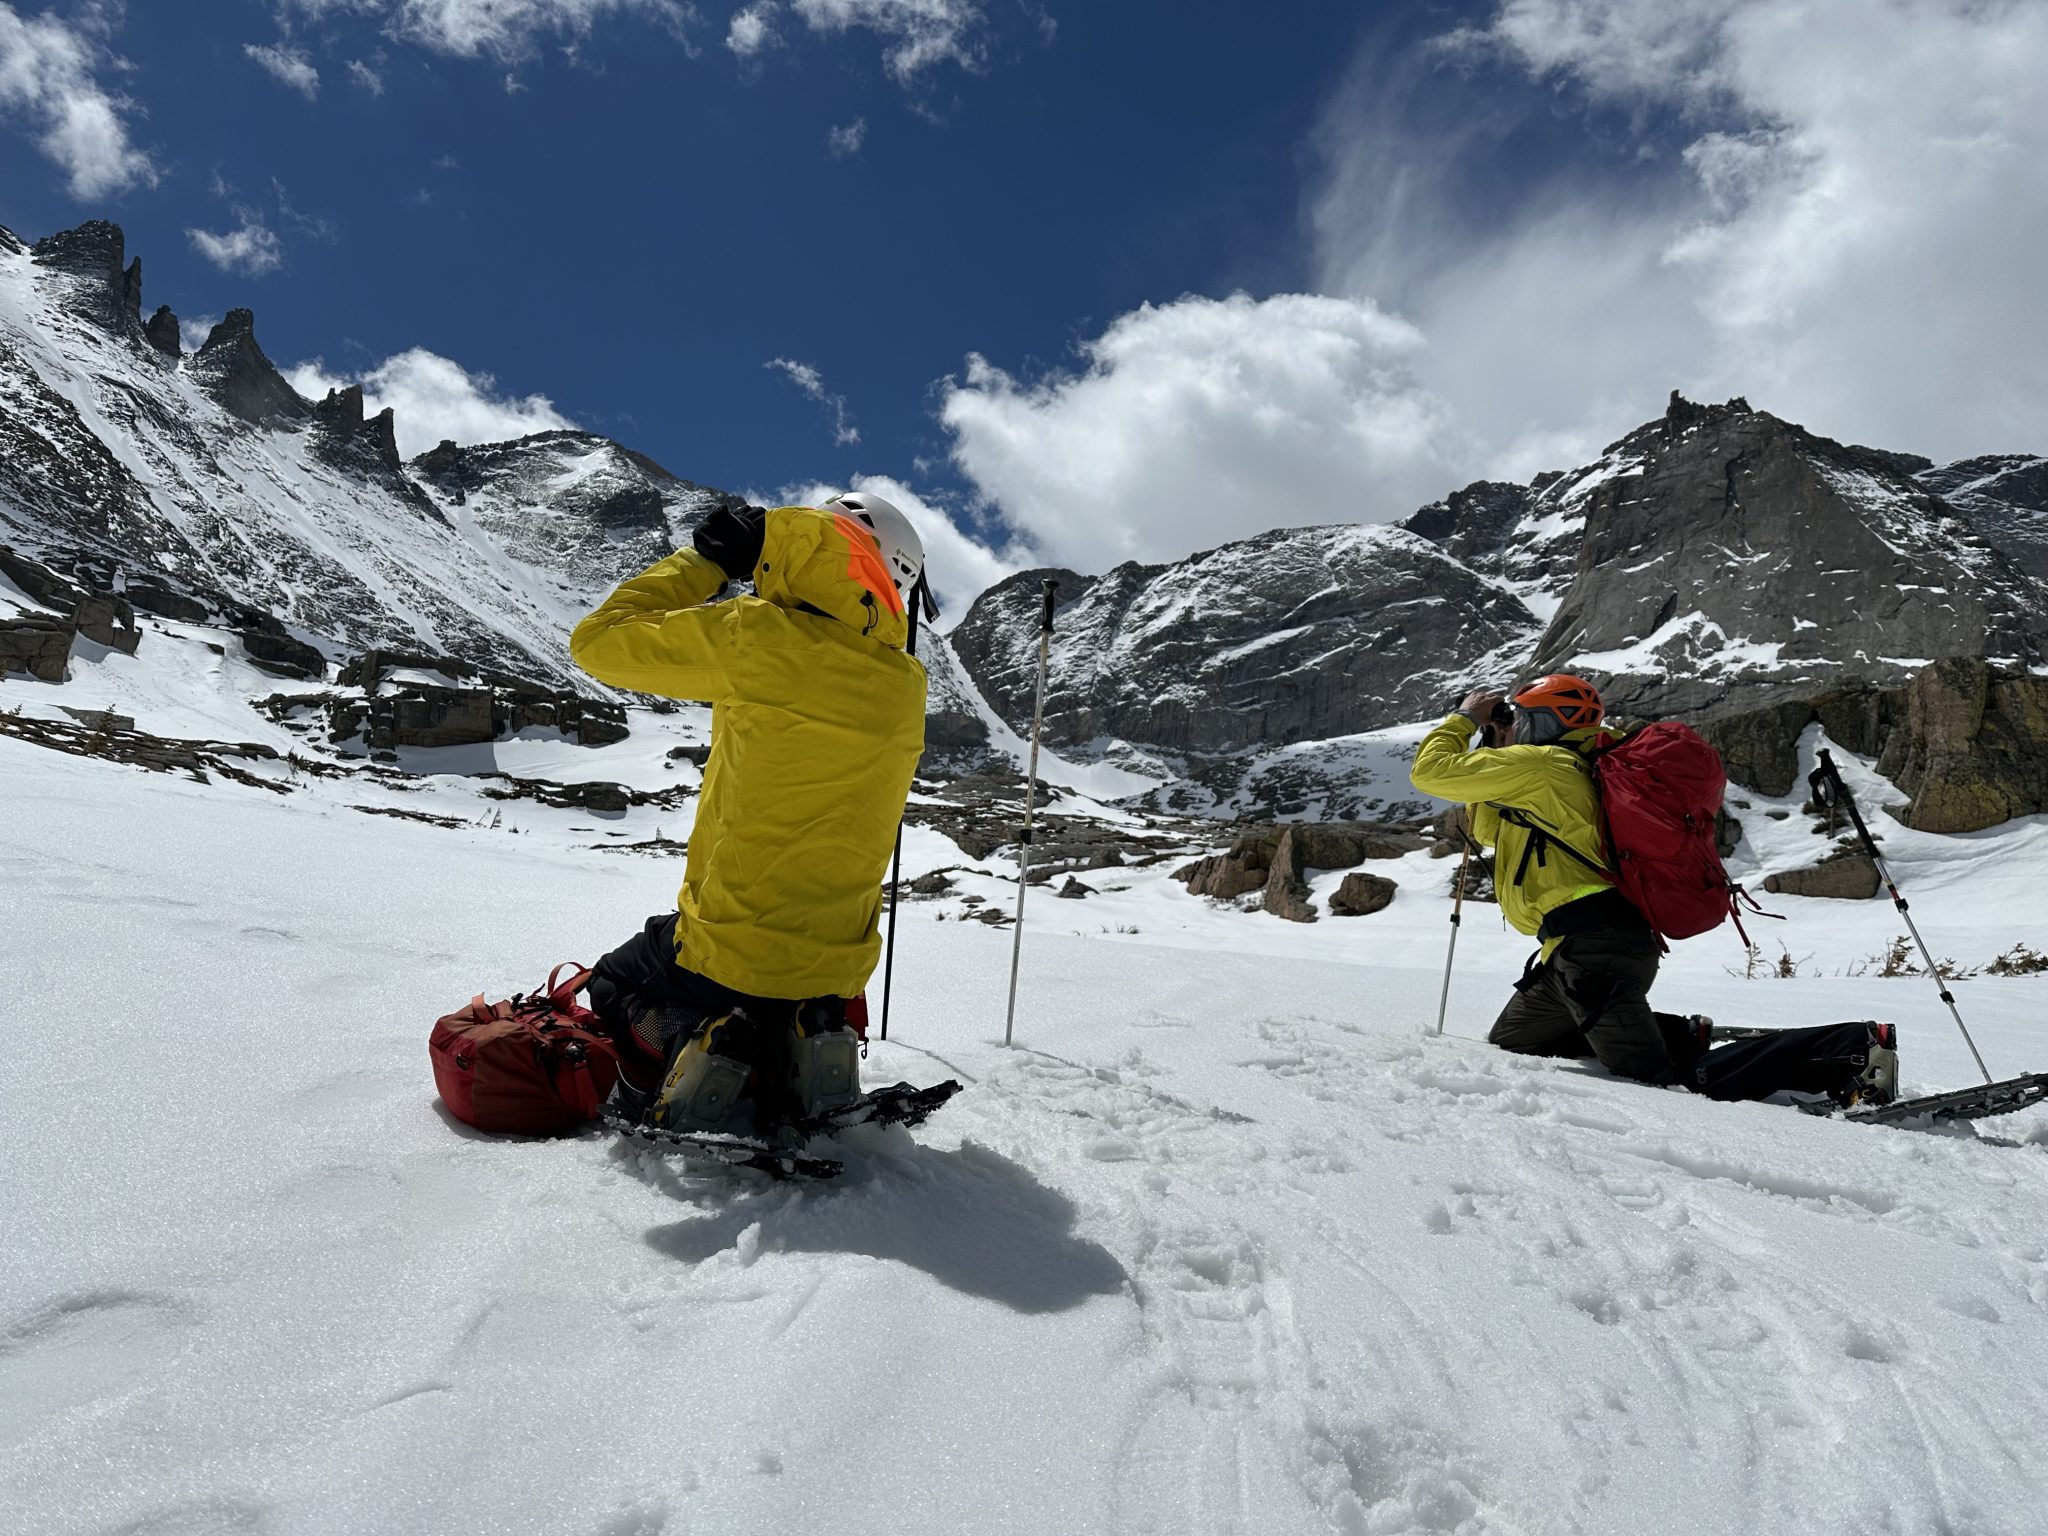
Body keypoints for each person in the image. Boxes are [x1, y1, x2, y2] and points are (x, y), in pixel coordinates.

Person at [568, 491, 930, 1133]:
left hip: (724, 953)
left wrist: (705, 563)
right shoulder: (905, 685)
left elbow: (596, 644)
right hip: (837, 974)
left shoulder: (756, 637)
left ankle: (682, 1047)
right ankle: (803, 1043)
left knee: (612, 983)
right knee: (775, 976)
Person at [1409, 674, 1899, 1105]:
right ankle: (1679, 1035)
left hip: (1596, 947)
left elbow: (1428, 773)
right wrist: (1494, 749)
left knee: (1664, 1084)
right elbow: (1491, 833)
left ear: (1549, 723)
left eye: (1525, 718)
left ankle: (1851, 1048)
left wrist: (1464, 719)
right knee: (1519, 1040)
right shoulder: (1552, 772)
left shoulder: (1546, 767)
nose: (1517, 727)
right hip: (1569, 948)